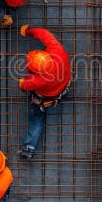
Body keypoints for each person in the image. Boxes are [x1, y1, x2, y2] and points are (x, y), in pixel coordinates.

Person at [17, 25, 71, 160]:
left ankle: (29, 148)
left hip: (47, 97)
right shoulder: (57, 50)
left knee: (36, 118)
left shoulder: (38, 80)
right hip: (63, 83)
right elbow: (44, 33)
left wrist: (25, 78)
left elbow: (23, 85)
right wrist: (29, 31)